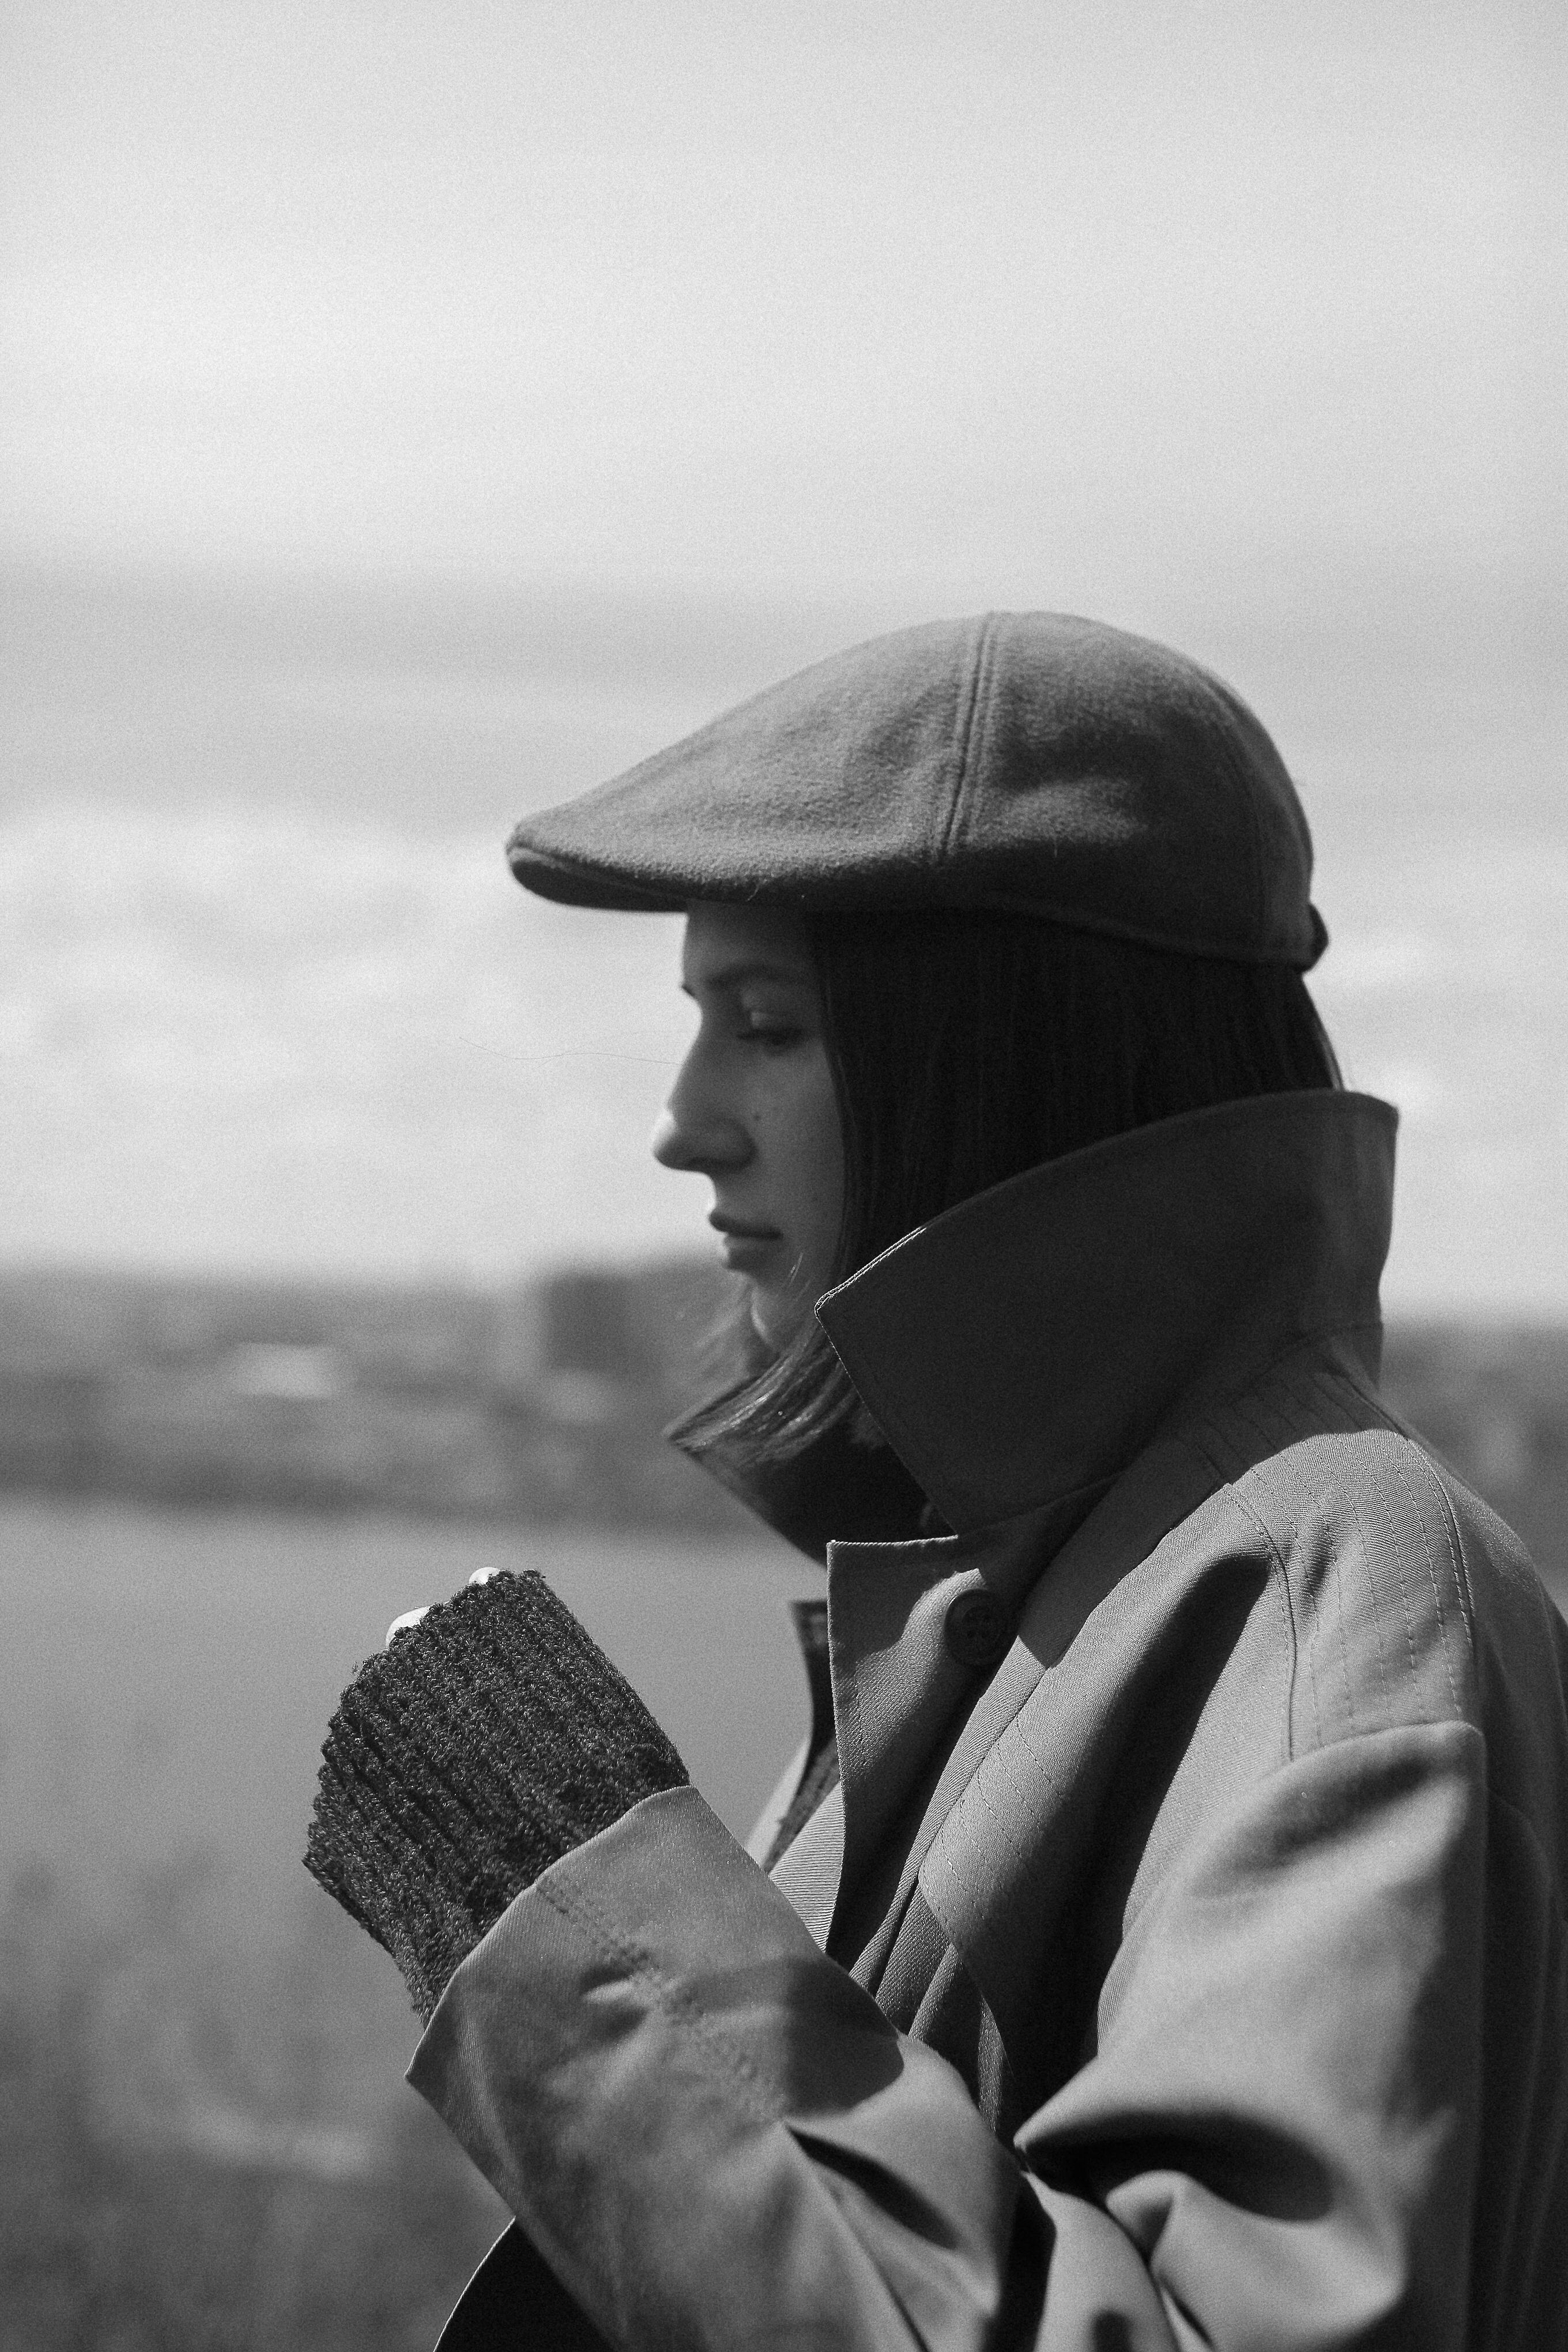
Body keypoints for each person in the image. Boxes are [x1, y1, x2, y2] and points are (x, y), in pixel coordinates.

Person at [305, 613, 1568, 2350]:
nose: (684, 1119)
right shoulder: (1035, 1583)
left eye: (766, 1025)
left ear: (1002, 1057)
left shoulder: (1326, 1588)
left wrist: (584, 1931)